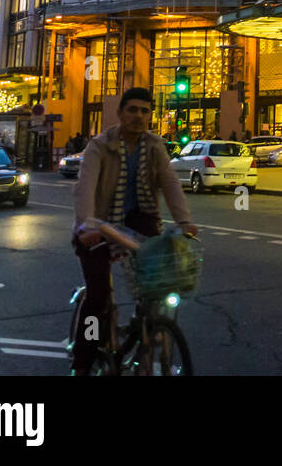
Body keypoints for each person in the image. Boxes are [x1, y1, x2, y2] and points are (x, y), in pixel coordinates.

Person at [70, 86, 197, 376]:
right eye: (133, 109)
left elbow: (170, 184)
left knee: (158, 288)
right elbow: (85, 188)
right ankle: (83, 361)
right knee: (98, 297)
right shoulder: (100, 146)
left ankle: (148, 329)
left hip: (140, 223)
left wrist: (184, 222)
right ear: (120, 113)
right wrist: (87, 224)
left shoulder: (154, 146)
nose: (139, 116)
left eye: (145, 110)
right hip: (99, 225)